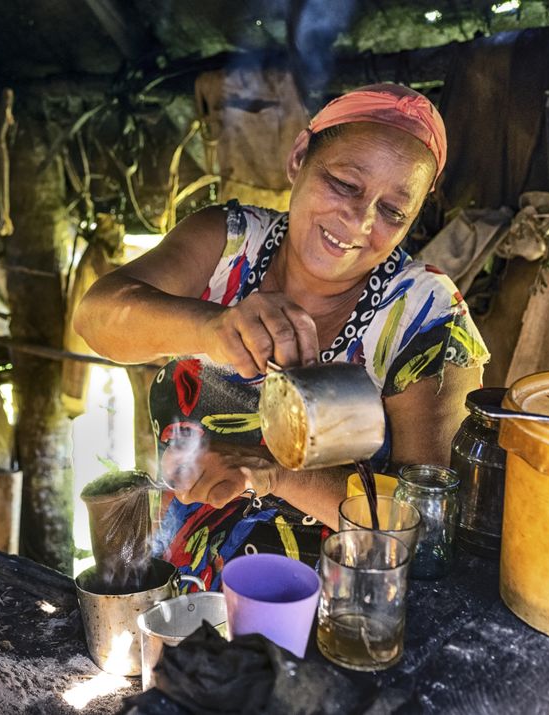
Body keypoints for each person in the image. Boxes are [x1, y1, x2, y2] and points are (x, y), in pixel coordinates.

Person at [73, 83, 489, 590]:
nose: (359, 222)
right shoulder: (227, 243)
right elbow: (96, 318)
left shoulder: (425, 317)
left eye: (393, 211)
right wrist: (212, 326)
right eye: (344, 184)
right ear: (298, 158)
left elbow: (426, 529)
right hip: (180, 592)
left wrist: (275, 473)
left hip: (330, 618)